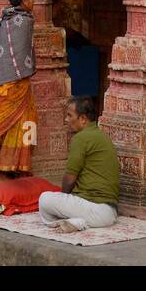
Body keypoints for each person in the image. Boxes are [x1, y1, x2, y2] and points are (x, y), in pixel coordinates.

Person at [39, 96, 119, 232]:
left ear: (82, 119)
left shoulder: (81, 138)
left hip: (95, 209)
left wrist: (64, 198)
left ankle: (75, 222)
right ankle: (77, 222)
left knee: (44, 199)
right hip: (109, 214)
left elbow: (70, 179)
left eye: (70, 115)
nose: (66, 120)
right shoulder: (101, 135)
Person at [0, 0, 38, 176]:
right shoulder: (26, 21)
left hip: (1, 83)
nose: (33, 2)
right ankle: (18, 166)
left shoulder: (3, 19)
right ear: (24, 0)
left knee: (10, 125)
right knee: (27, 122)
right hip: (17, 84)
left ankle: (3, 167)